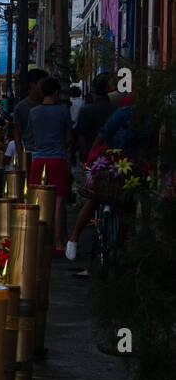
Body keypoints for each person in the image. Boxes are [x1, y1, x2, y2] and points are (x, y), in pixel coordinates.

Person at [65, 74, 114, 261]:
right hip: (114, 160)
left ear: (92, 92)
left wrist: (85, 156)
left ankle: (75, 237)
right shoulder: (113, 109)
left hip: (94, 160)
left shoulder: (87, 111)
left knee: (92, 198)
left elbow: (82, 137)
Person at [26, 77, 73, 253]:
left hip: (38, 159)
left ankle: (34, 240)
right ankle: (59, 243)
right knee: (59, 202)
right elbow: (68, 138)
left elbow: (30, 136)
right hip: (57, 158)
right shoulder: (63, 112)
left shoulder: (34, 112)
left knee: (35, 201)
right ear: (56, 93)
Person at [13, 68, 49, 162]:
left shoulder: (48, 105)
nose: (45, 87)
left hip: (48, 153)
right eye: (42, 84)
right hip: (30, 153)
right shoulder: (21, 107)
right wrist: (22, 158)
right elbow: (17, 135)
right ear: (32, 84)